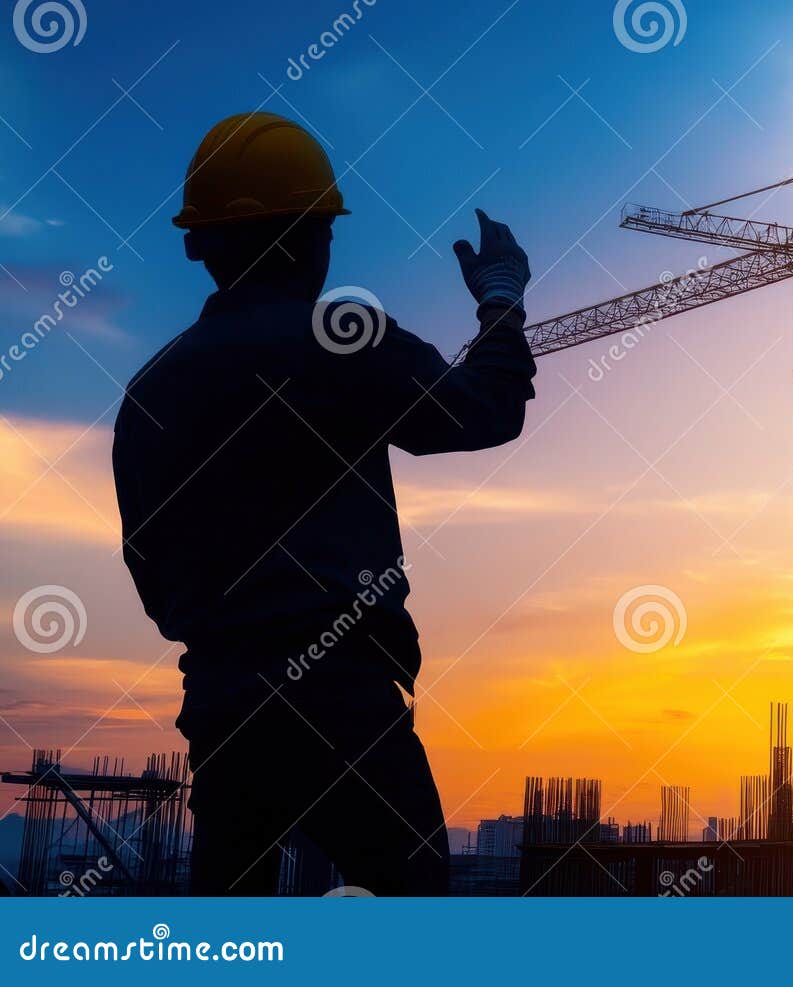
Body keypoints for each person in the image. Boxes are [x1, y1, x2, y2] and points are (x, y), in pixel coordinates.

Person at [112, 112, 535, 895]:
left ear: (199, 246)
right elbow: (484, 411)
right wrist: (501, 301)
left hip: (225, 708)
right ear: (316, 239)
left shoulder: (151, 393)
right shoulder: (345, 342)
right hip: (345, 702)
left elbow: (150, 574)